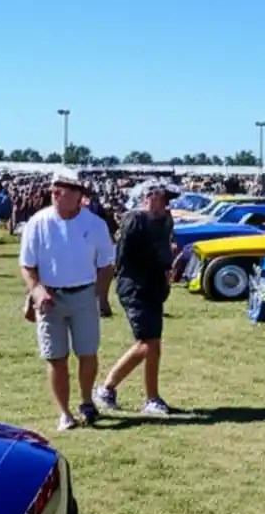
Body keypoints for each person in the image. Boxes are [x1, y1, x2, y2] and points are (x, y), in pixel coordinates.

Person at [20, 168, 117, 431]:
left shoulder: (95, 224)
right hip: (49, 298)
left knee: (87, 353)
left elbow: (106, 264)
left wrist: (101, 296)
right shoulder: (37, 223)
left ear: (78, 195)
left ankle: (86, 401)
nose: (55, 193)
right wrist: (36, 291)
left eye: (62, 189)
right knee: (56, 357)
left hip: (84, 294)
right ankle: (64, 413)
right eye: (53, 189)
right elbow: (27, 265)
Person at [95, 180, 178, 415]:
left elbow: (164, 252)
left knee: (154, 345)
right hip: (136, 288)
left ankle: (152, 397)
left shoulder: (165, 221)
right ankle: (107, 388)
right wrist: (104, 296)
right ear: (146, 198)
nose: (163, 204)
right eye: (159, 198)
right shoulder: (135, 220)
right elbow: (121, 259)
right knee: (146, 344)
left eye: (166, 199)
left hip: (154, 288)